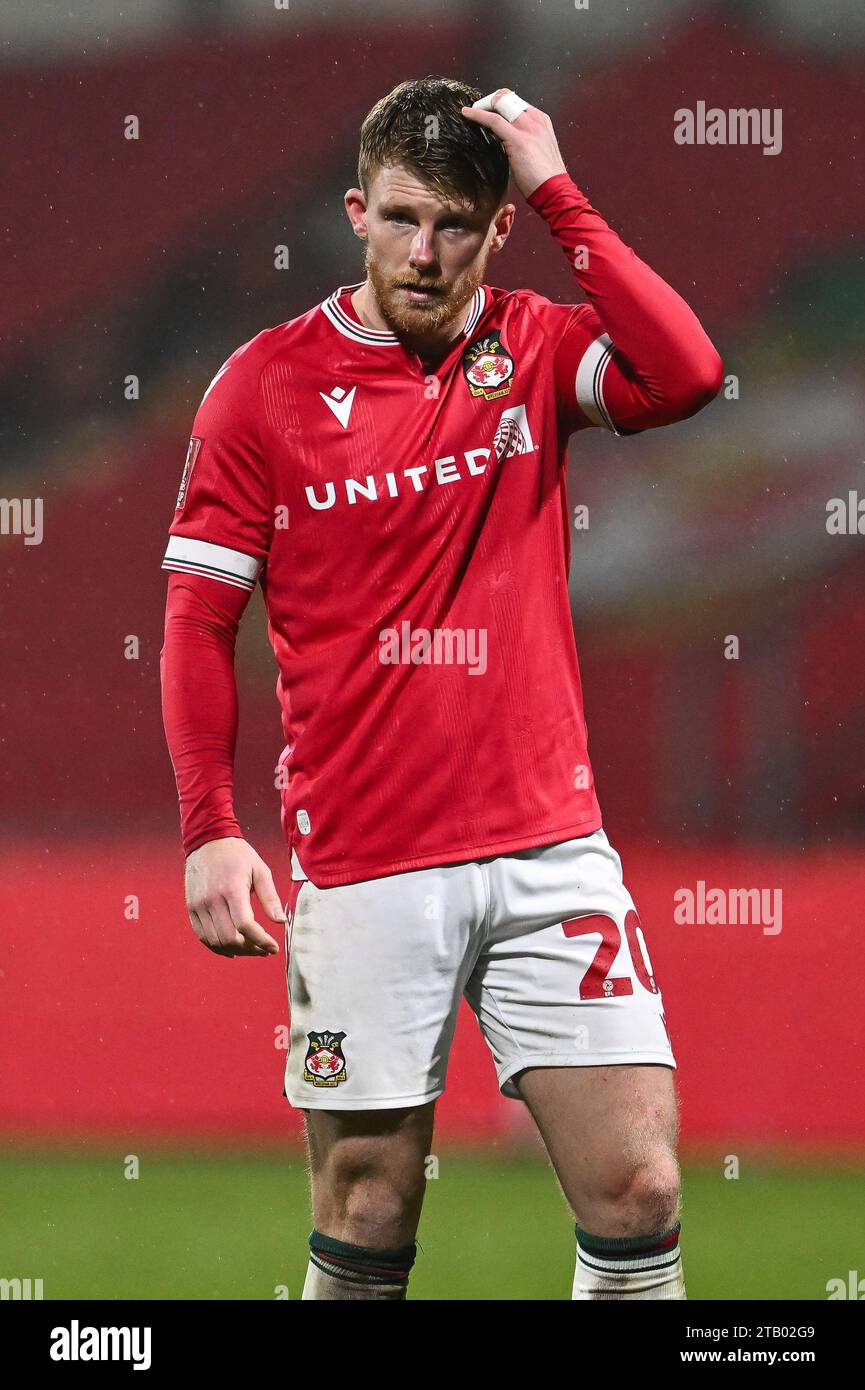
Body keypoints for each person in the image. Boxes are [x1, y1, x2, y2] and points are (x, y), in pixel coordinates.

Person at [160, 77, 723, 1301]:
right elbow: (200, 618)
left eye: (457, 225)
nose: (425, 253)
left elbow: (684, 372)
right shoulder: (263, 386)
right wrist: (210, 827)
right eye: (403, 219)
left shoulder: (527, 345)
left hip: (549, 848)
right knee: (369, 1204)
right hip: (365, 859)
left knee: (641, 1189)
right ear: (356, 212)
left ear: (497, 226)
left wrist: (560, 189)